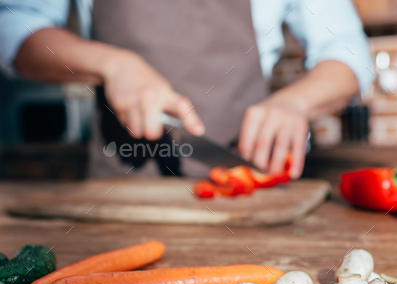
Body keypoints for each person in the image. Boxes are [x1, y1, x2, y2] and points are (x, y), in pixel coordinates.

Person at [0, 0, 374, 179]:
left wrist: (297, 101)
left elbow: (347, 50)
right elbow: (13, 27)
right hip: (123, 189)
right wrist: (111, 65)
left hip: (247, 182)